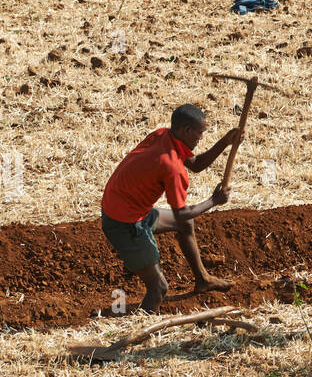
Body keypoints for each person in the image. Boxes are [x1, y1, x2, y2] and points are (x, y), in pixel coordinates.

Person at [100, 105, 238, 313]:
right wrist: (214, 200)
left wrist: (226, 142)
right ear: (186, 131)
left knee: (186, 226)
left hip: (126, 208)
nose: (201, 137)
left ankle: (203, 279)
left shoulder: (162, 135)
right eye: (200, 133)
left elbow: (197, 164)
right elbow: (180, 213)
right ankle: (136, 330)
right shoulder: (172, 168)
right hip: (124, 223)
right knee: (159, 289)